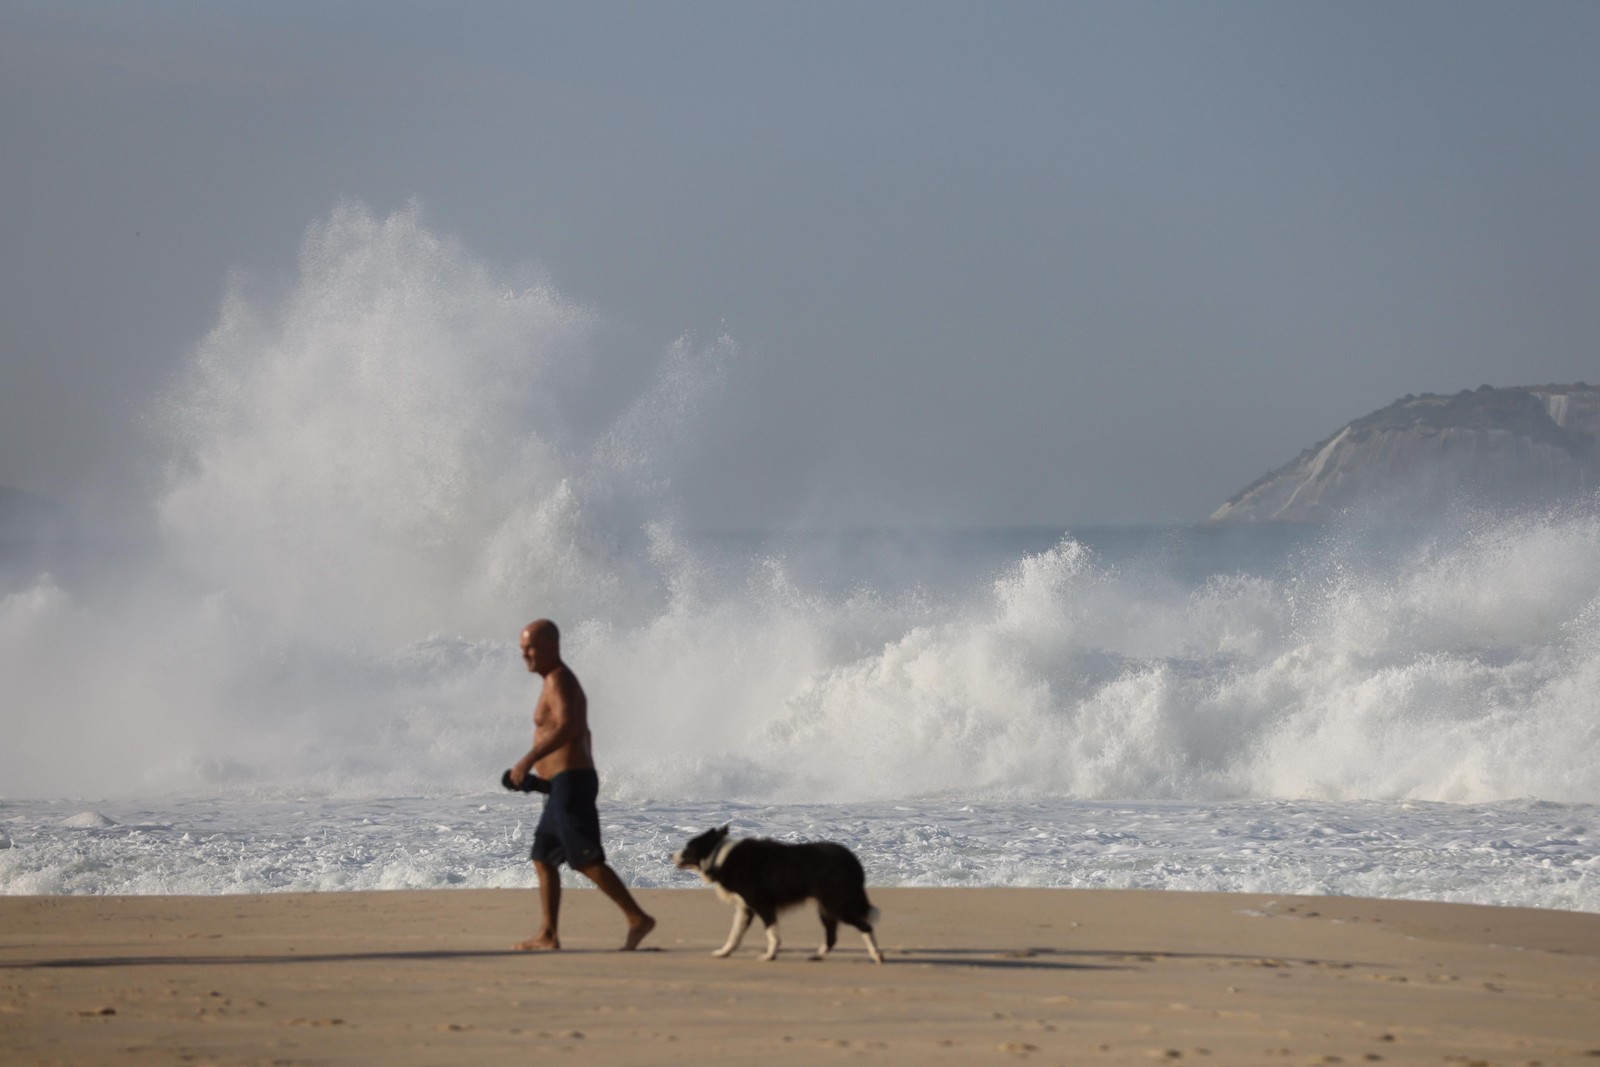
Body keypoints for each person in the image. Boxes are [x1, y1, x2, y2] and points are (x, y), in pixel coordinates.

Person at [508, 619, 655, 952]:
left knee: (586, 859)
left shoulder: (560, 679)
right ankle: (548, 933)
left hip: (572, 783)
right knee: (544, 857)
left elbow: (570, 727)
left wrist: (528, 759)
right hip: (558, 787)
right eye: (522, 649)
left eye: (530, 647)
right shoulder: (550, 681)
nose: (525, 655)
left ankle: (637, 918)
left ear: (552, 646)